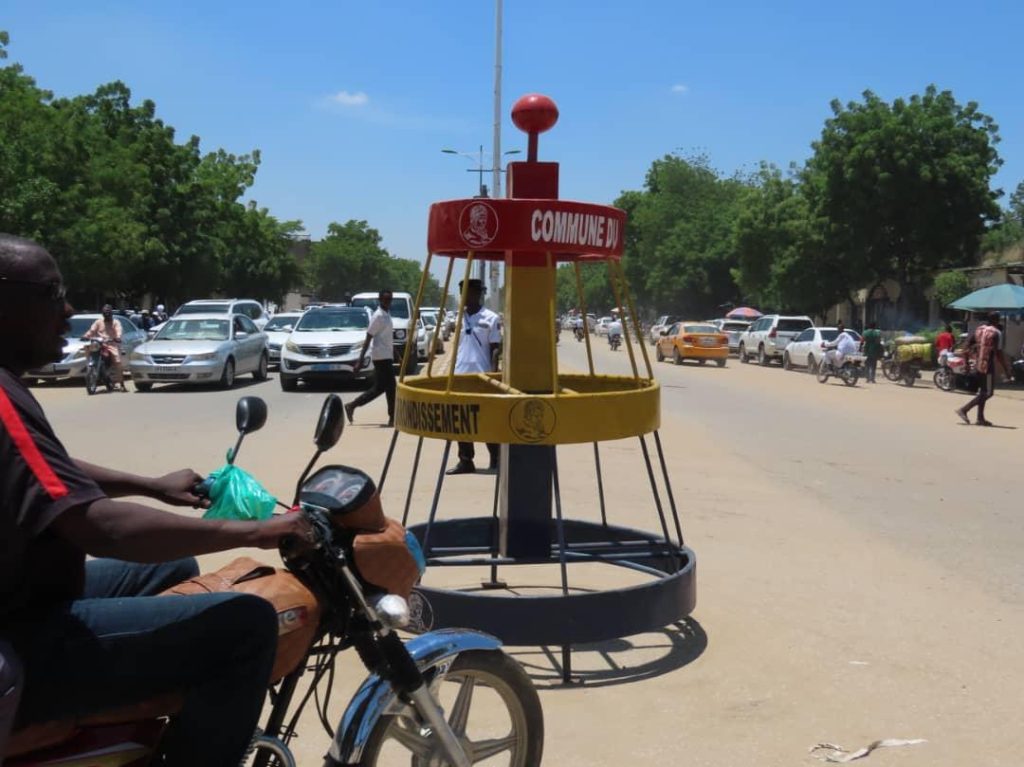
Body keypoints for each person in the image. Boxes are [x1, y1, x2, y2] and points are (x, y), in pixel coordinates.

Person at [0, 233, 311, 767]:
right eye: (53, 293)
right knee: (246, 625)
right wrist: (259, 532)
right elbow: (101, 528)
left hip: (24, 597)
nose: (69, 310)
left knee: (171, 568)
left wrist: (151, 485)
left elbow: (51, 474)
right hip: (20, 637)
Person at [447, 279, 501, 475]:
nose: (463, 297)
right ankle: (465, 460)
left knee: (486, 420)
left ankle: (496, 459)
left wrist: (493, 376)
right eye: (461, 292)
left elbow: (495, 349)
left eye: (467, 293)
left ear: (478, 294)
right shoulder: (459, 318)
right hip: (461, 374)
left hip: (482, 375)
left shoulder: (491, 318)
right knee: (462, 422)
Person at [346, 289, 396, 427]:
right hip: (380, 356)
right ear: (380, 300)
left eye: (390, 299)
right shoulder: (378, 316)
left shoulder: (386, 314)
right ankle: (393, 417)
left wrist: (395, 351)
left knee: (379, 388)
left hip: (387, 354)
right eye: (385, 299)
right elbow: (368, 337)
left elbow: (386, 336)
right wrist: (360, 361)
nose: (388, 302)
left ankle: (352, 405)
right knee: (391, 387)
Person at [956, 312, 1010, 426]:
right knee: (988, 393)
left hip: (977, 364)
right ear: (997, 320)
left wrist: (965, 363)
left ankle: (980, 418)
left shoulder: (978, 330)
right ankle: (964, 409)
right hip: (987, 366)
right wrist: (1006, 369)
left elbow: (966, 347)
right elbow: (999, 353)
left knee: (983, 392)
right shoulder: (996, 333)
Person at [83, 304, 127, 391]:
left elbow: (119, 331)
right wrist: (86, 336)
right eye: (104, 313)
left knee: (117, 362)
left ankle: (121, 383)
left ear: (111, 313)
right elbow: (91, 330)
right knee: (86, 348)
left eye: (108, 313)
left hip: (111, 344)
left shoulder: (116, 322)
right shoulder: (98, 322)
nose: (106, 315)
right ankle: (90, 367)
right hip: (99, 344)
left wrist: (117, 337)